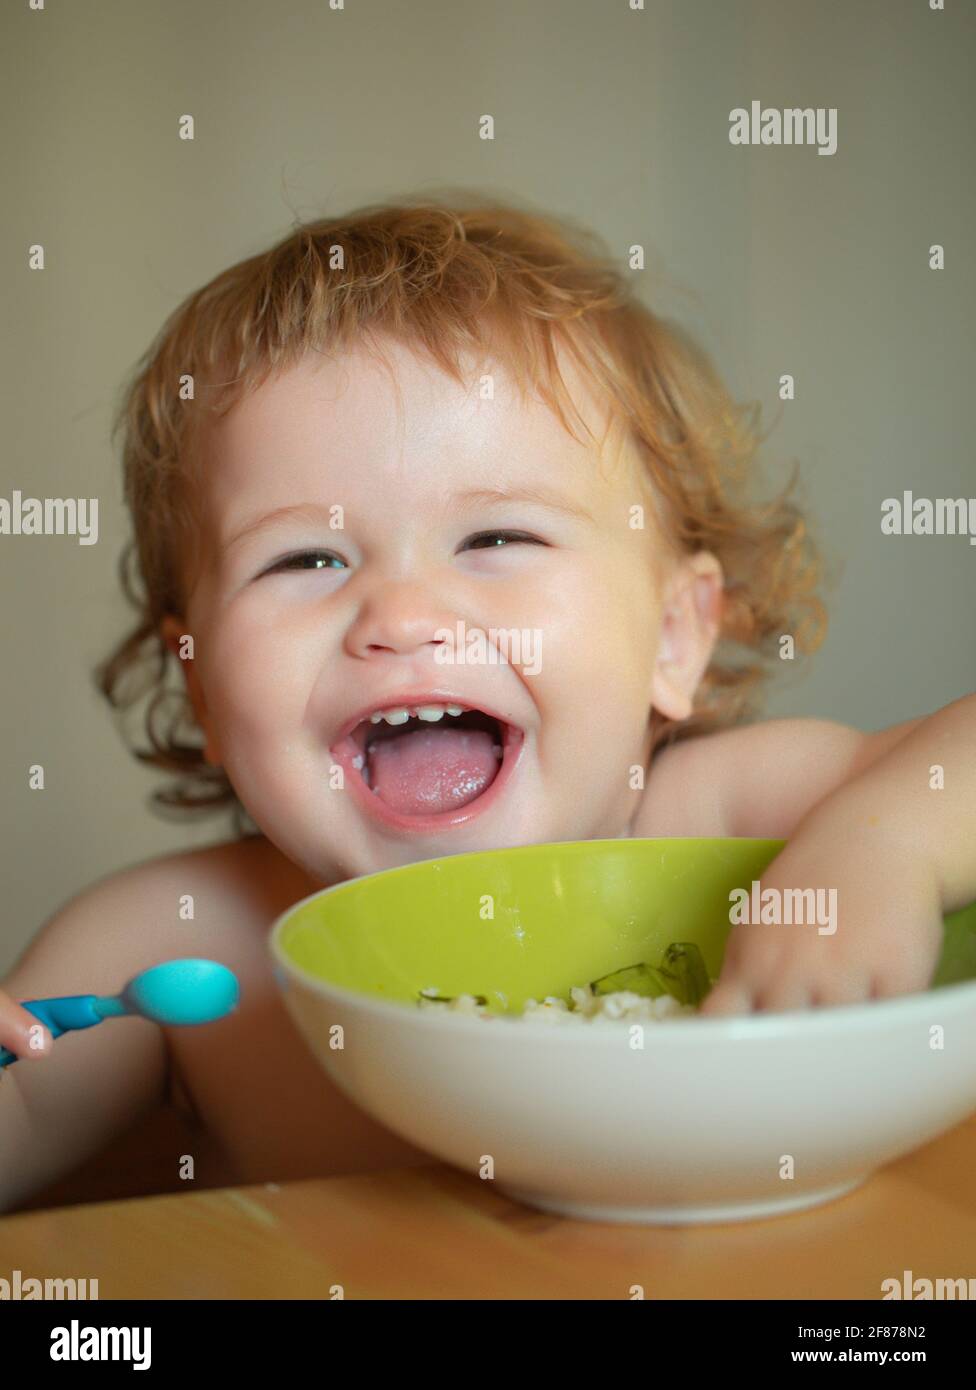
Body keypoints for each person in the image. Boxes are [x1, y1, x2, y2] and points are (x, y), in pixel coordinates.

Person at [2, 197, 972, 1210]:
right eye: (306, 557)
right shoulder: (178, 945)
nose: (405, 615)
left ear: (674, 635)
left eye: (495, 539)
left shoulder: (729, 822)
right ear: (199, 676)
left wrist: (880, 846)